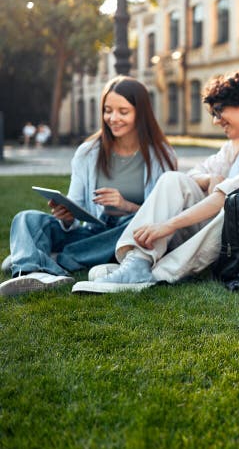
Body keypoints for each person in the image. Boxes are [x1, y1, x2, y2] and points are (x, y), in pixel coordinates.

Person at [72, 71, 239, 293]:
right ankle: (138, 262)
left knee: (230, 208)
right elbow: (189, 179)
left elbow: (224, 196)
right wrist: (211, 178)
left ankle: (157, 275)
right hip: (238, 239)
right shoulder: (236, 145)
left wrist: (168, 226)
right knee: (173, 181)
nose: (216, 121)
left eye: (219, 111)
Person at [0, 76, 177, 296]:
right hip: (92, 232)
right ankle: (33, 271)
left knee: (132, 229)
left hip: (128, 234)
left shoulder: (161, 156)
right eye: (108, 110)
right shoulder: (88, 152)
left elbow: (164, 216)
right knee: (25, 218)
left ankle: (45, 257)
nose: (113, 118)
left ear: (141, 113)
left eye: (123, 112)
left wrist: (127, 205)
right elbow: (76, 205)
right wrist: (67, 216)